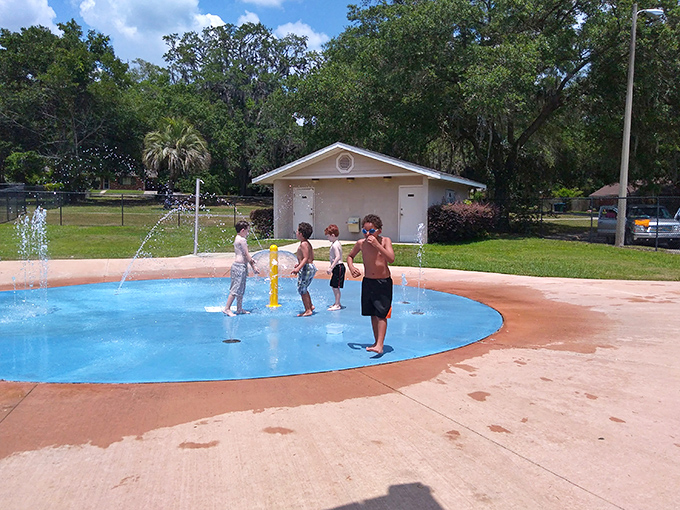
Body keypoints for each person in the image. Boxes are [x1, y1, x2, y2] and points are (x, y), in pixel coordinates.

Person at [347, 214, 395, 354]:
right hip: (368, 282)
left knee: (382, 314)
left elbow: (391, 258)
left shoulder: (385, 241)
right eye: (365, 231)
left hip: (383, 282)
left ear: (379, 230)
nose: (368, 234)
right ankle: (376, 342)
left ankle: (380, 345)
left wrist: (377, 245)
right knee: (373, 314)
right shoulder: (361, 244)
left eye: (371, 231)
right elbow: (350, 256)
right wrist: (351, 267)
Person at [223, 220, 259, 316]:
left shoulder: (237, 238)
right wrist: (254, 266)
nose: (248, 233)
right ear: (243, 230)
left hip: (241, 266)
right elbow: (246, 254)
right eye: (247, 231)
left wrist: (251, 264)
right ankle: (227, 308)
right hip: (239, 267)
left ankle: (239, 308)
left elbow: (245, 256)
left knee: (241, 288)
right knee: (236, 289)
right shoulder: (242, 240)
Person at [290, 222, 317, 317]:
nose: (296, 232)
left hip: (307, 268)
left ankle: (308, 310)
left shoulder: (303, 244)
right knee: (304, 288)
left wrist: (298, 268)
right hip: (308, 267)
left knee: (302, 289)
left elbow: (306, 258)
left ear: (301, 234)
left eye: (297, 231)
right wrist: (299, 263)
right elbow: (309, 257)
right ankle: (310, 306)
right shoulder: (306, 243)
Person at [324, 224, 346, 311]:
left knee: (335, 287)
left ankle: (337, 304)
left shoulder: (334, 245)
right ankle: (337, 302)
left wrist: (331, 267)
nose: (327, 238)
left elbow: (337, 257)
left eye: (328, 236)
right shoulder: (337, 243)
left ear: (333, 235)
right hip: (338, 267)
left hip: (338, 267)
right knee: (334, 286)